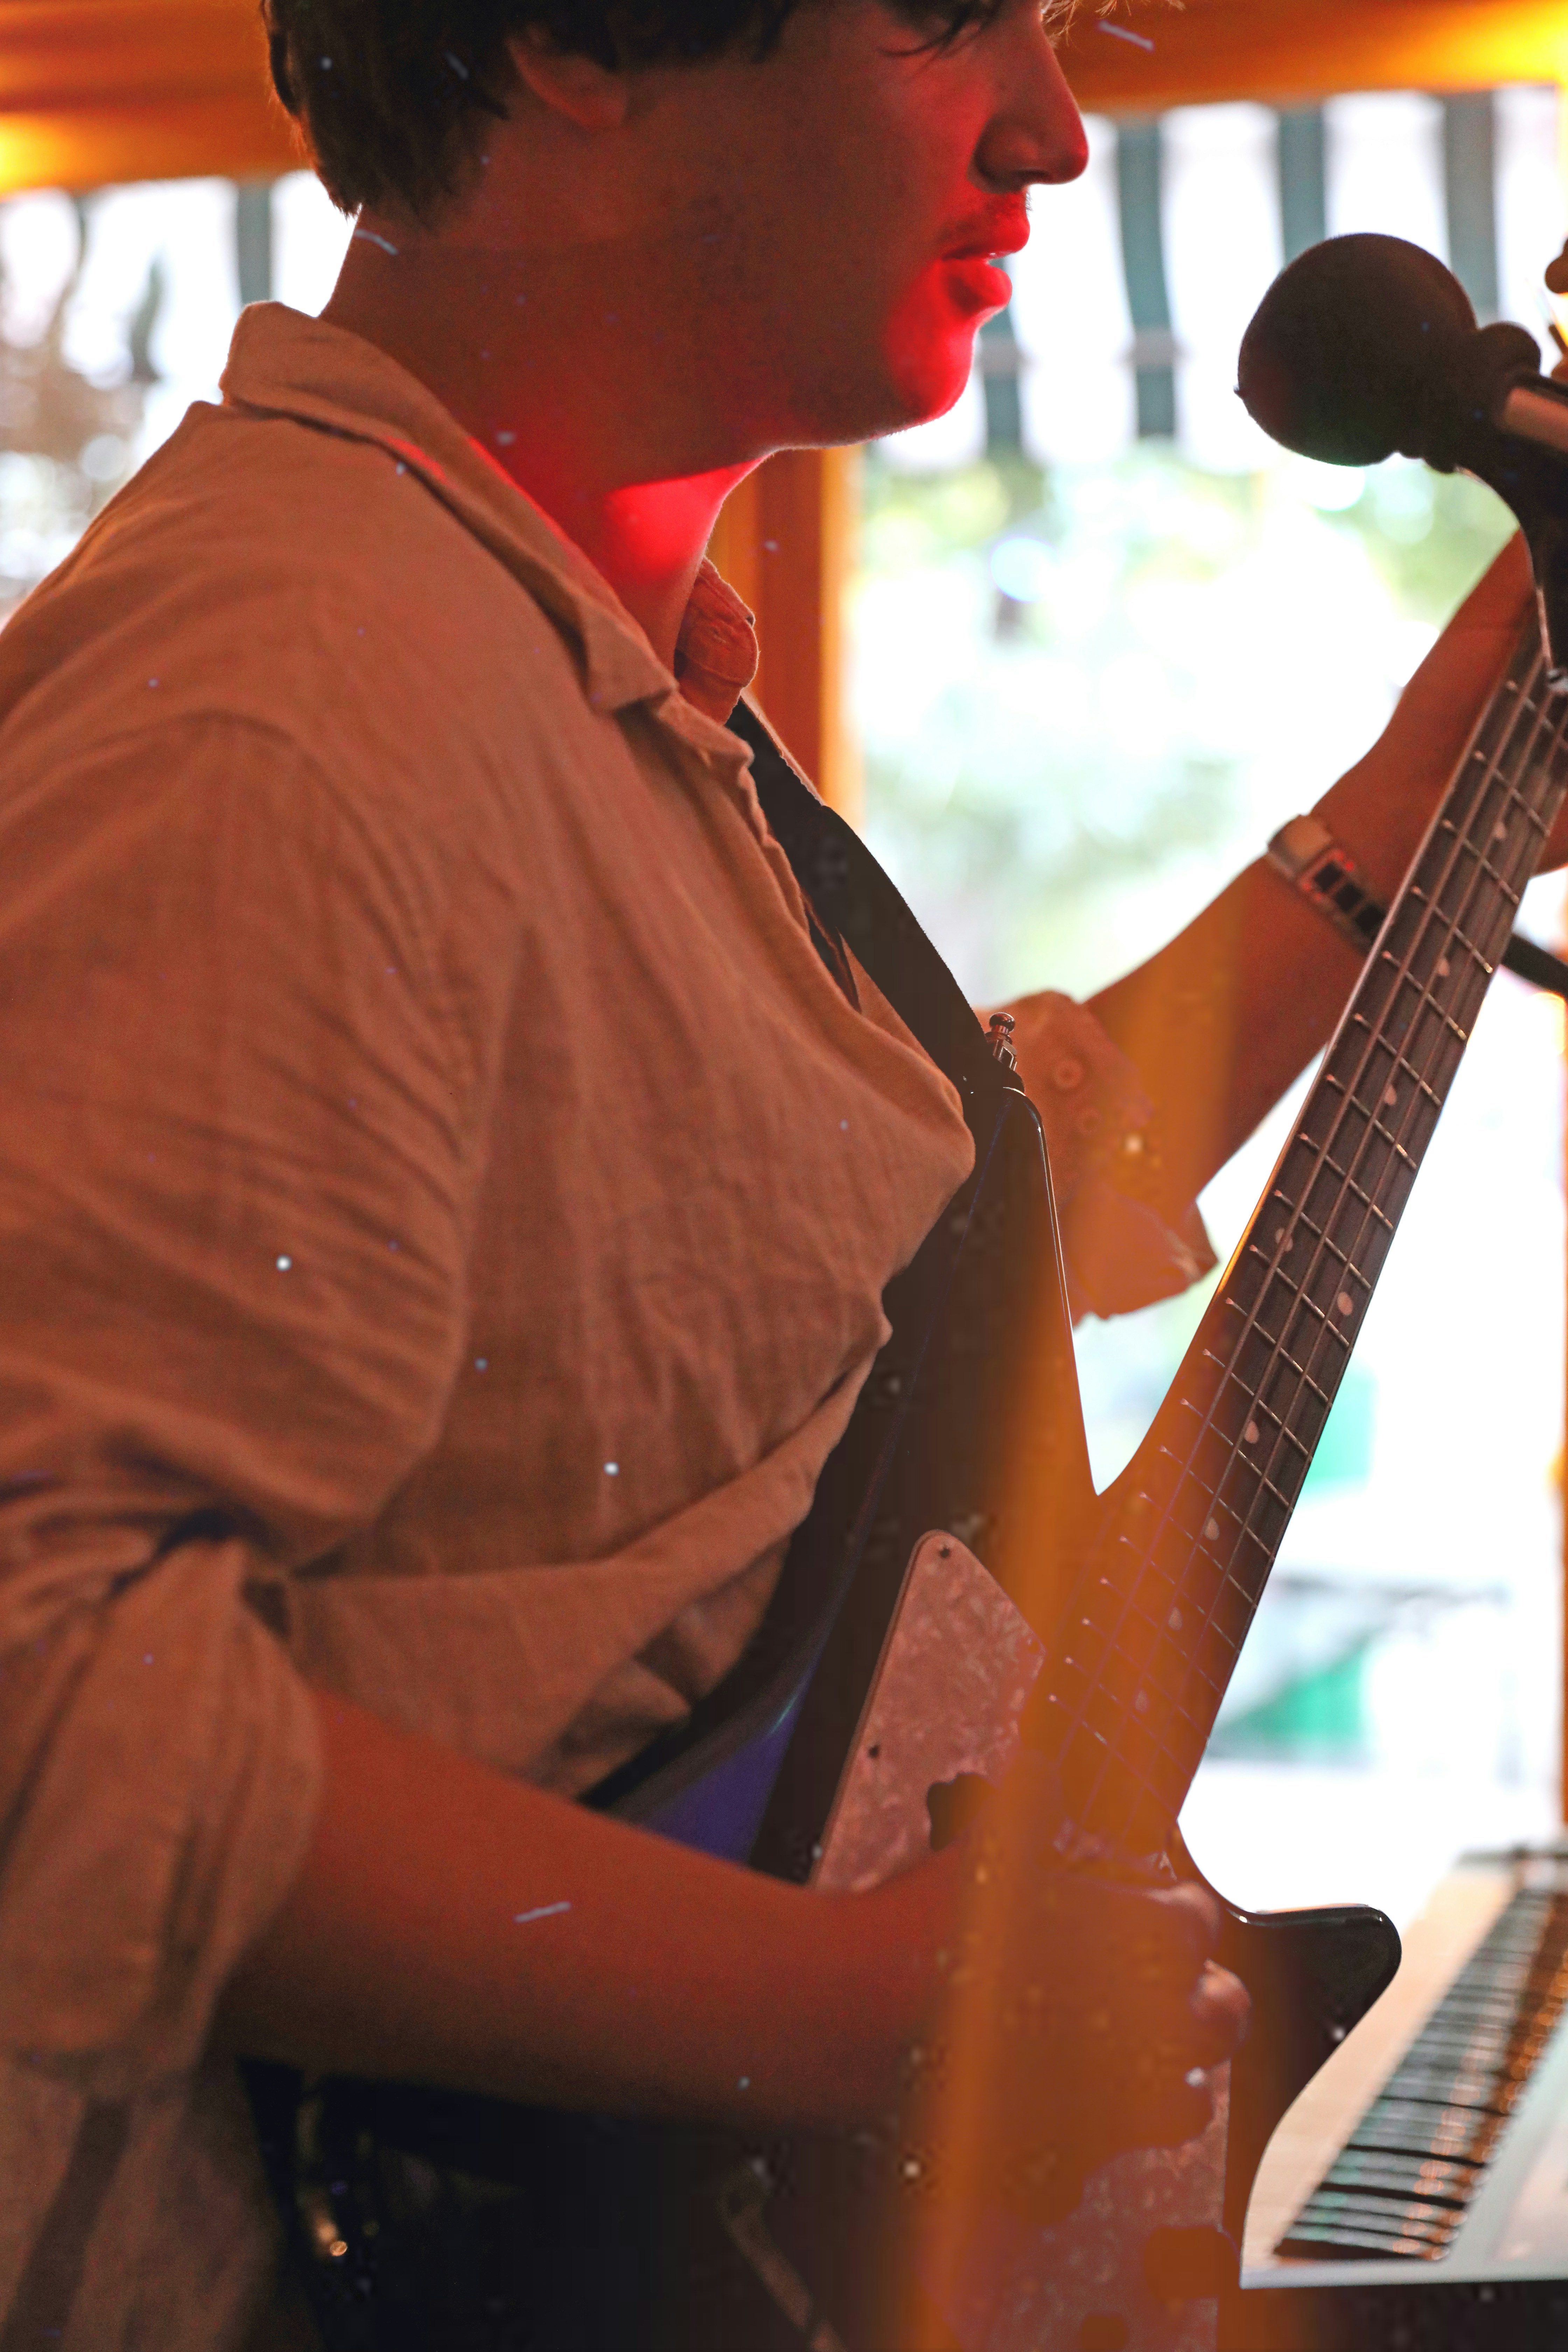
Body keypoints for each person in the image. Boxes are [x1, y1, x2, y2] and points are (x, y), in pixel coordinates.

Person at [0, 2, 1550, 2346]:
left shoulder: (564, 658)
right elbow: (52, 1706)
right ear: (573, 47)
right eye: (955, 23)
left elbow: (940, 1218)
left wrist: (1458, 754)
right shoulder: (292, 699)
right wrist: (854, 2016)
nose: (1048, 125)